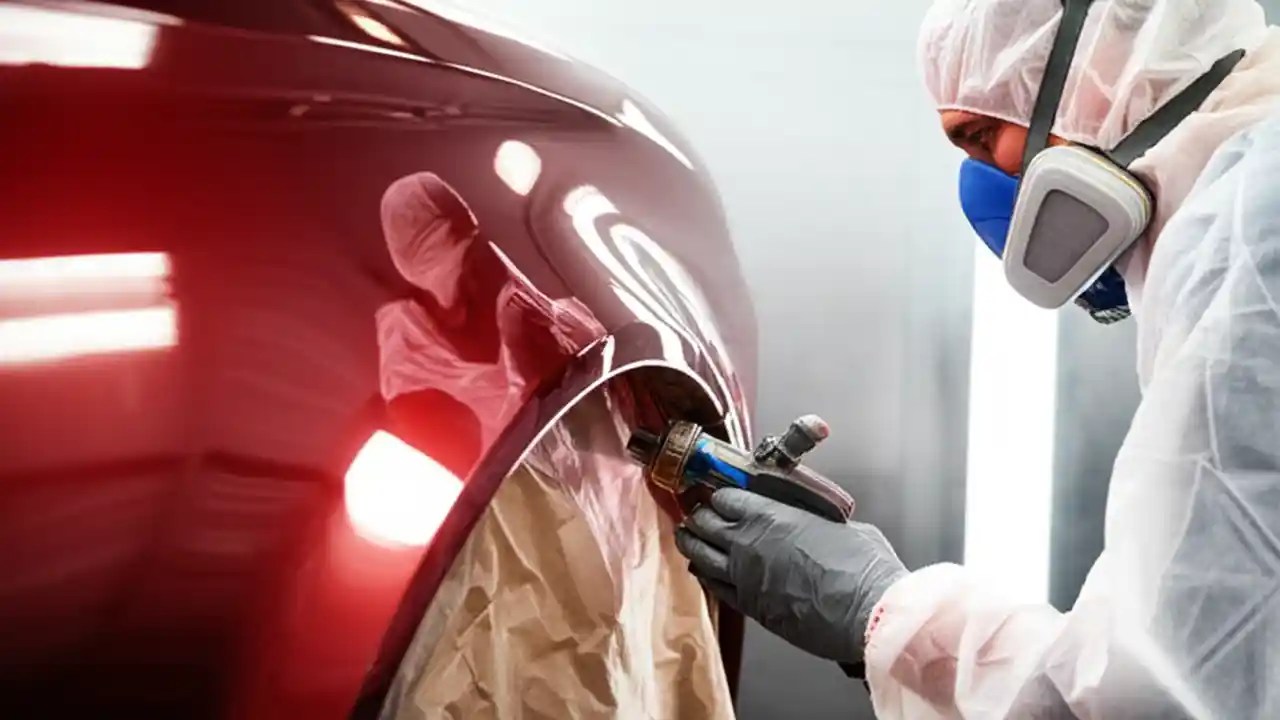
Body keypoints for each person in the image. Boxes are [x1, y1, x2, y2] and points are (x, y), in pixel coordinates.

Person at [674, 0, 1280, 717]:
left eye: (983, 136)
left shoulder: (1247, 238)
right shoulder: (1240, 202)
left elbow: (1160, 693)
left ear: (1104, 51)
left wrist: (885, 614)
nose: (986, 189)